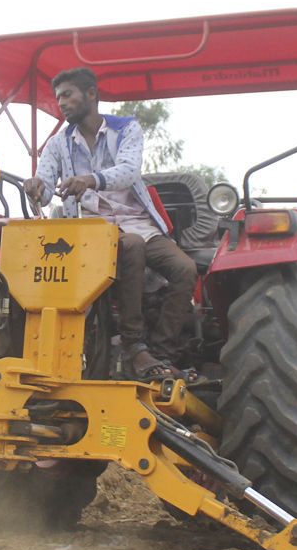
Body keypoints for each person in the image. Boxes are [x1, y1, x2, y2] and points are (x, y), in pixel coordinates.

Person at [21, 67, 197, 381]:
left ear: (91, 94)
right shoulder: (57, 144)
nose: (61, 103)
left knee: (184, 269)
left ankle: (161, 354)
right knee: (129, 246)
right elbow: (46, 192)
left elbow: (129, 170)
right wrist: (36, 186)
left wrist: (91, 180)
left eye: (67, 95)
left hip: (138, 222)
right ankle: (134, 345)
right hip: (91, 233)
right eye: (58, 97)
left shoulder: (125, 128)